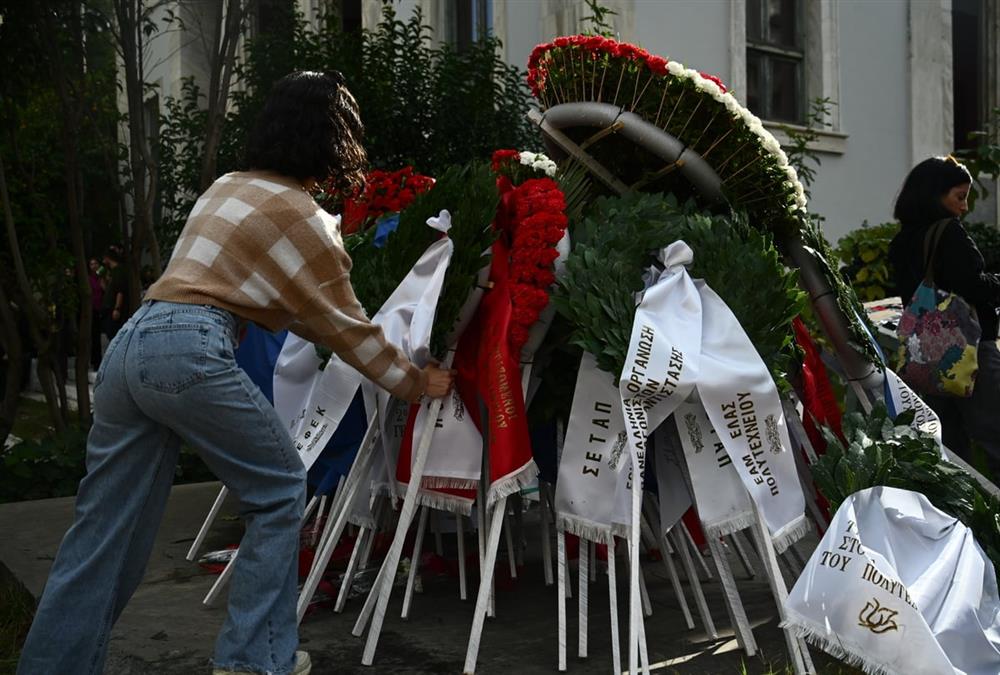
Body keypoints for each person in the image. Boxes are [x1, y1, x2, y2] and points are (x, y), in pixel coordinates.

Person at [16, 71, 455, 675]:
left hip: (132, 345)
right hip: (189, 349)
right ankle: (253, 661)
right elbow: (345, 328)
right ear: (337, 141)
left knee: (102, 533)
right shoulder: (306, 219)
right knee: (278, 490)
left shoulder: (226, 186)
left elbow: (277, 304)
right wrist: (415, 380)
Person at [888, 155, 1000, 477]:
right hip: (969, 353)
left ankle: (964, 514)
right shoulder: (947, 232)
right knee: (994, 431)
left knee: (949, 444)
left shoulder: (903, 240)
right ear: (934, 194)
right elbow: (972, 286)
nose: (964, 207)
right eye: (959, 197)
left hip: (927, 358)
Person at [100, 246, 127, 340]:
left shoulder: (118, 271)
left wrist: (117, 308)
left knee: (114, 334)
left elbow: (120, 291)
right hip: (108, 308)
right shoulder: (110, 272)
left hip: (113, 308)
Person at [88, 257, 105, 370]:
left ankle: (99, 361)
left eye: (95, 264)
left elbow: (105, 289)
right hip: (92, 309)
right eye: (91, 264)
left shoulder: (101, 278)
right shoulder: (89, 279)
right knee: (94, 336)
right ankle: (94, 361)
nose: (94, 266)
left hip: (101, 308)